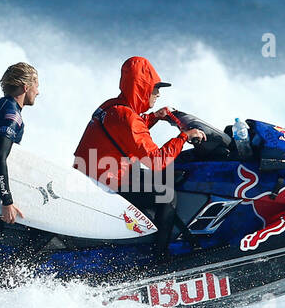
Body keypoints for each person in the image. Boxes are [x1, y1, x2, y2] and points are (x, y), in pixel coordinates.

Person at [73, 56, 205, 252]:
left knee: (163, 179)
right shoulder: (128, 118)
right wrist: (183, 137)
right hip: (107, 183)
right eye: (155, 88)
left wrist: (154, 117)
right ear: (141, 88)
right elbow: (156, 161)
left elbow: (126, 134)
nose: (158, 94)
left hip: (93, 175)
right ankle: (160, 256)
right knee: (166, 194)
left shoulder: (112, 106)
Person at [0, 62, 39, 224]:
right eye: (36, 86)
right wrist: (7, 201)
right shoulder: (12, 116)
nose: (38, 92)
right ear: (26, 87)